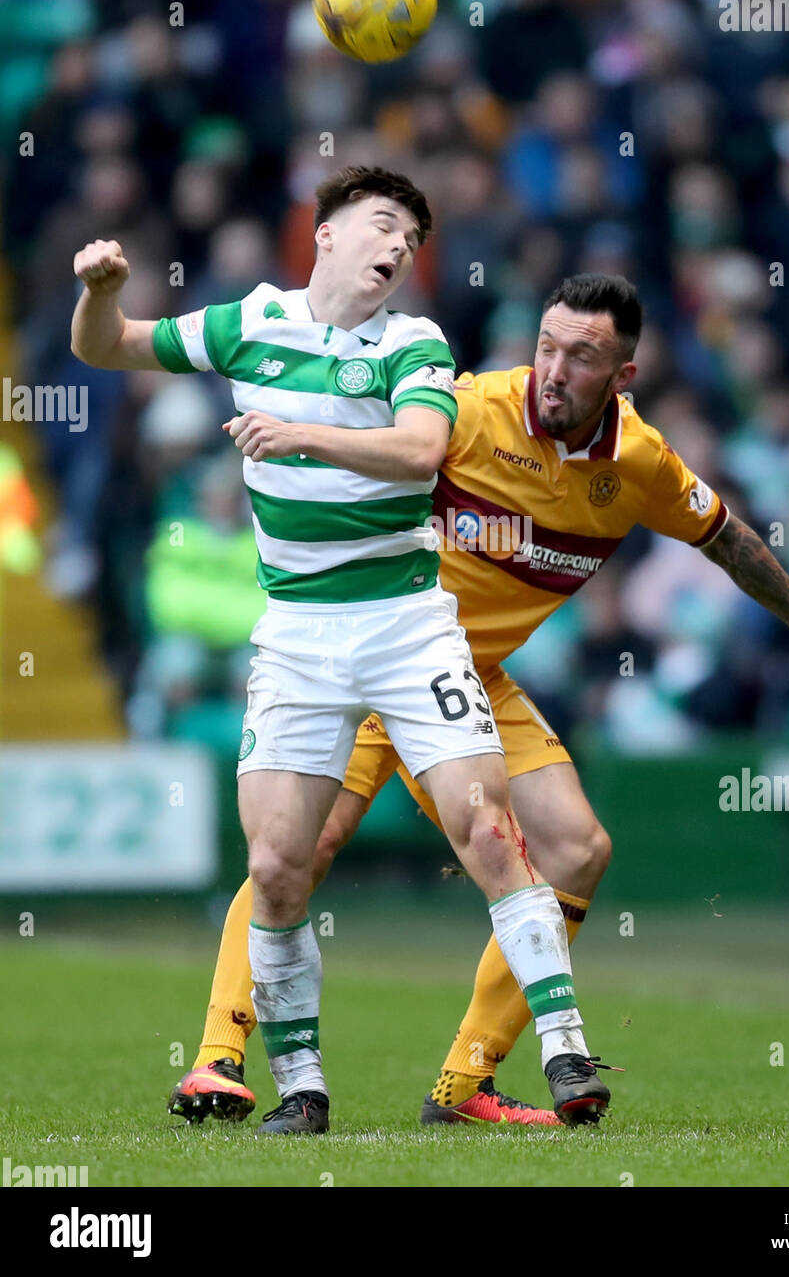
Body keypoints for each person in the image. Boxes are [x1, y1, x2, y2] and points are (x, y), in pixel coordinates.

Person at [168, 272, 789, 1127]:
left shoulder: (638, 464)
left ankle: (463, 1084)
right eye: (547, 346)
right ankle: (218, 1059)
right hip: (378, 656)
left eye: (582, 356)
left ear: (622, 376)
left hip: (468, 677)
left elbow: (731, 540)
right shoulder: (468, 410)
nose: (553, 370)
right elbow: (362, 445)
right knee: (300, 845)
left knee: (578, 847)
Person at [71, 166, 610, 1135]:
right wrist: (102, 289)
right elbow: (106, 348)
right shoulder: (248, 324)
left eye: (409, 235)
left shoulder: (413, 341)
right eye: (379, 224)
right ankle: (302, 1086)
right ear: (321, 236)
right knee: (277, 865)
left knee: (487, 832)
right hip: (297, 637)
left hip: (406, 625)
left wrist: (301, 433)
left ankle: (566, 1046)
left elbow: (417, 452)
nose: (396, 245)